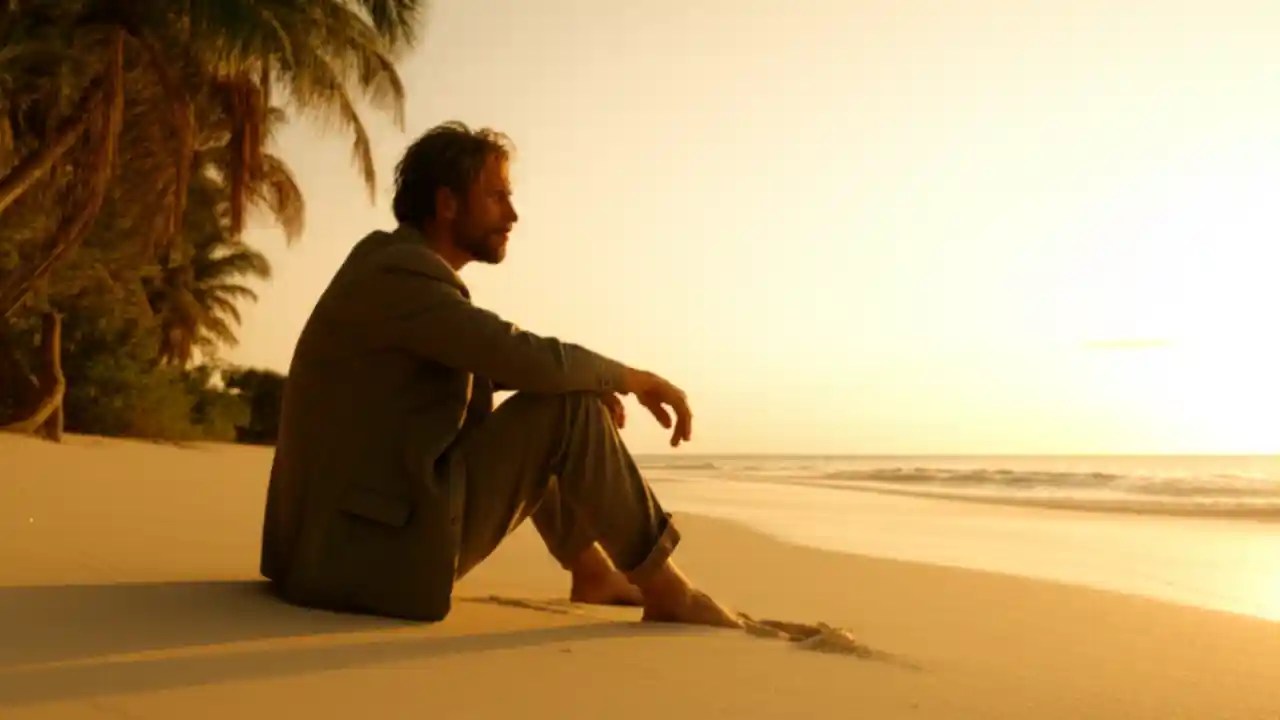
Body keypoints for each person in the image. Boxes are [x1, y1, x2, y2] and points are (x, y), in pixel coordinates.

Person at [259, 121, 742, 628]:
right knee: (568, 410)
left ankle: (593, 571)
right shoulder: (401, 276)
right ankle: (667, 590)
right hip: (369, 563)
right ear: (447, 204)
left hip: (334, 553)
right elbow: (516, 354)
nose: (512, 215)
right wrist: (630, 378)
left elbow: (488, 368)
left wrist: (581, 380)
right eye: (496, 197)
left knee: (560, 396)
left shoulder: (384, 265)